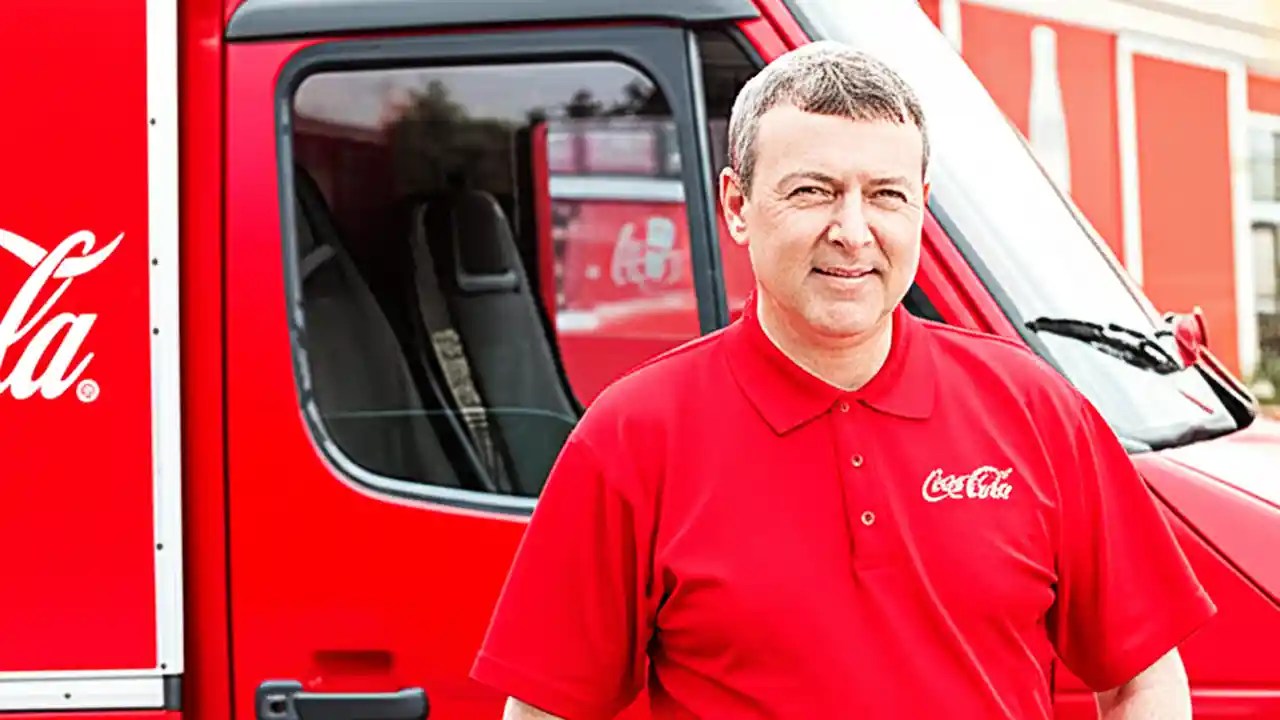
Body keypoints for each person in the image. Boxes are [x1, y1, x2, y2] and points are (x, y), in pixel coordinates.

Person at [470, 40, 1216, 719]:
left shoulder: (1035, 411)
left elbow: (1142, 680)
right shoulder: (633, 435)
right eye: (812, 191)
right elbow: (547, 711)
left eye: (885, 194)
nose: (853, 231)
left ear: (921, 204)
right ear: (737, 205)